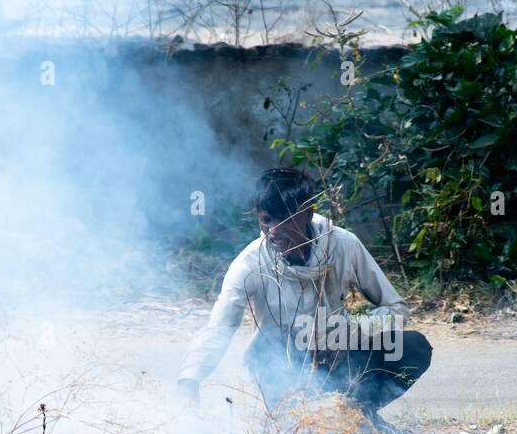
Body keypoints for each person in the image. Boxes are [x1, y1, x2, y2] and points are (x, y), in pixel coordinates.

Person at [176, 167, 431, 419]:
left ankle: (355, 414)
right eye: (266, 220)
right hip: (281, 367)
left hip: (339, 359)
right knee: (266, 350)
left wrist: (349, 336)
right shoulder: (249, 263)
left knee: (412, 347)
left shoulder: (343, 244)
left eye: (284, 219)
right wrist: (189, 379)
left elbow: (395, 308)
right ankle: (299, 420)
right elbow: (219, 328)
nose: (274, 231)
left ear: (308, 213)